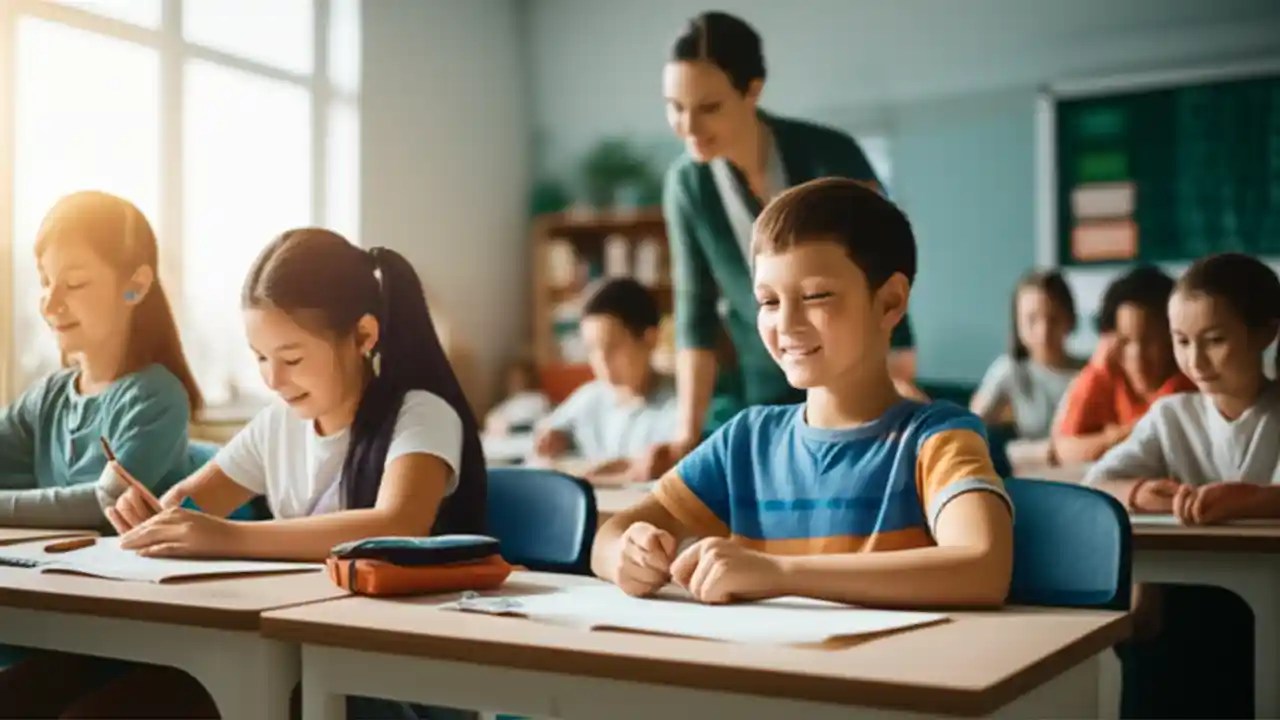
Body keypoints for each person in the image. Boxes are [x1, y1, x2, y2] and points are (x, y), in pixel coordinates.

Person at [593, 178, 1011, 608]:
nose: (787, 324)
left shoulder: (935, 437)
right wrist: (626, 555)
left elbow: (983, 567)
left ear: (889, 302)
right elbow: (607, 537)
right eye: (769, 302)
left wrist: (779, 574)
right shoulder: (747, 441)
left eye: (815, 296)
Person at [652, 11, 921, 479]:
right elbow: (694, 314)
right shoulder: (687, 185)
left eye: (708, 107)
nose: (688, 126)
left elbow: (883, 268)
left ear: (752, 90)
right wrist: (685, 433)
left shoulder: (828, 154)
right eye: (675, 106)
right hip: (767, 382)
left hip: (854, 376)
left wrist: (895, 384)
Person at [534, 279, 678, 483]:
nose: (602, 361)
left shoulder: (678, 407)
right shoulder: (591, 397)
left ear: (650, 339)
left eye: (613, 347)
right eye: (592, 349)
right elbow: (550, 432)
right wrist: (552, 439)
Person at [1053, 266, 1194, 464]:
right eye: (1125, 341)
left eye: (1150, 340)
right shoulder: (1105, 375)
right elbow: (1065, 451)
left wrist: (1108, 438)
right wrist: (1118, 436)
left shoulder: (1187, 382)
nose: (1137, 356)